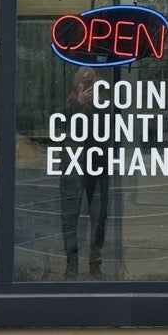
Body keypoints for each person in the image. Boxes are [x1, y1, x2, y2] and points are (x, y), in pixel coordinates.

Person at [59, 66, 110, 279]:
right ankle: (72, 264)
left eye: (93, 85)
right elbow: (58, 124)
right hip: (74, 166)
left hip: (98, 166)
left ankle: (95, 264)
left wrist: (98, 103)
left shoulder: (103, 103)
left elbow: (111, 125)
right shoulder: (70, 104)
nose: (89, 90)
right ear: (77, 86)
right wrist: (78, 104)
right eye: (85, 85)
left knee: (99, 216)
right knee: (71, 217)